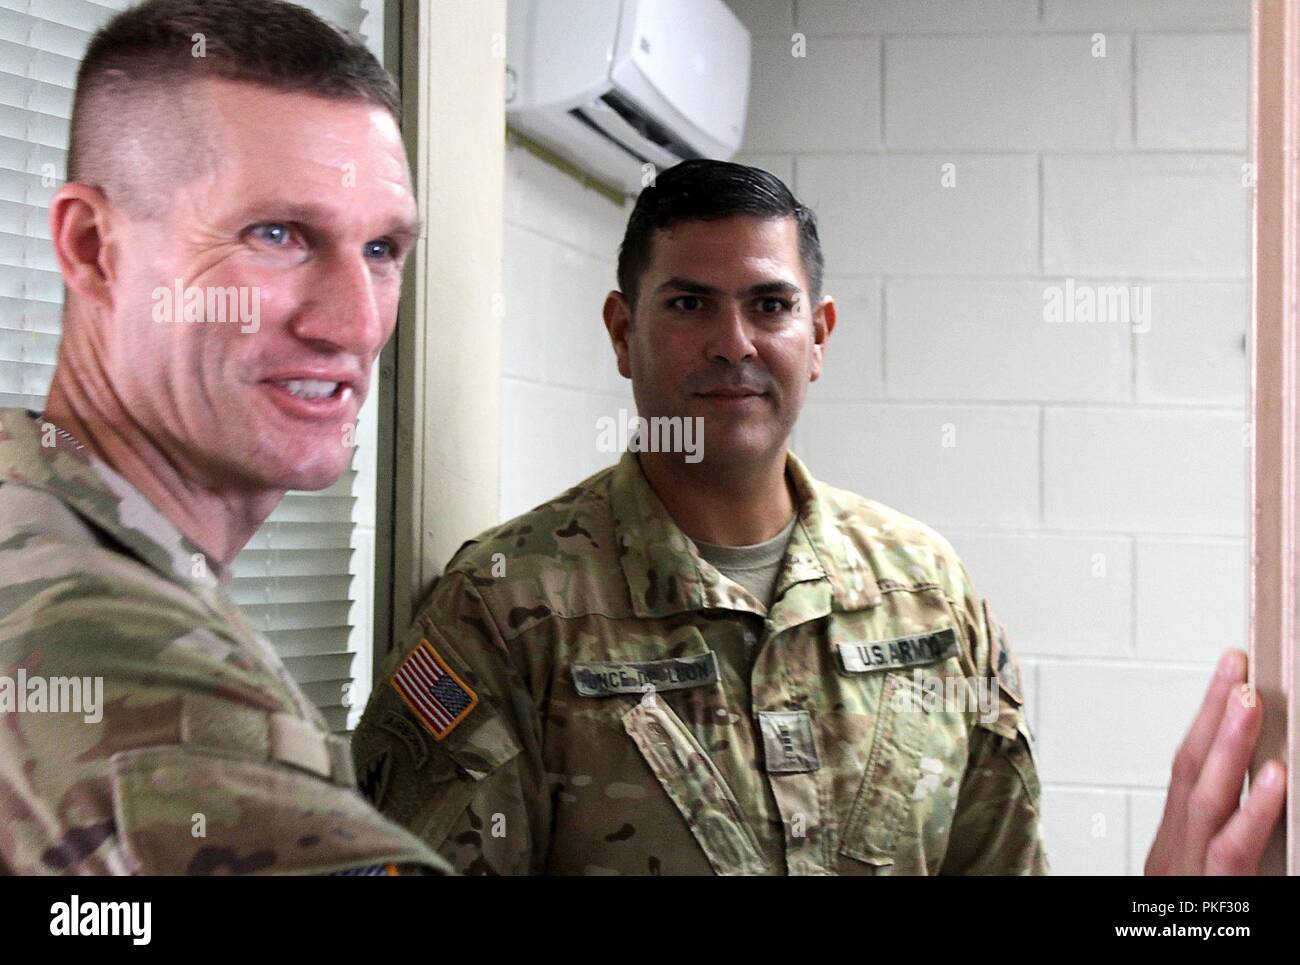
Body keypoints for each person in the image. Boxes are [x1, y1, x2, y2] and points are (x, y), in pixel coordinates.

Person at [352, 159, 1049, 875]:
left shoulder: (926, 591)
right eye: (690, 305)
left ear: (819, 337)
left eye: (771, 305)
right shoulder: (508, 607)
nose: (734, 342)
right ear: (623, 333)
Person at [0, 0, 447, 875]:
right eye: (277, 234)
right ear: (94, 247)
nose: (354, 323)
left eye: (384, 250)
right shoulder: (112, 653)